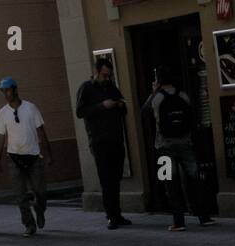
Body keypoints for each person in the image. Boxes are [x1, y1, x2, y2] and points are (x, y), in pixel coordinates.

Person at [141, 66, 213, 231]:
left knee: (170, 184)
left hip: (164, 146)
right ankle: (204, 216)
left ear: (158, 80)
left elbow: (143, 113)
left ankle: (178, 221)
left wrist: (153, 91)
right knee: (194, 180)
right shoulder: (183, 95)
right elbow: (192, 116)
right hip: (185, 144)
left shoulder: (157, 98)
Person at [75, 58, 132, 230]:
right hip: (100, 140)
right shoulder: (87, 88)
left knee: (115, 178)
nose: (107, 78)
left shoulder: (112, 88)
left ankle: (117, 213)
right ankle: (111, 216)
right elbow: (80, 112)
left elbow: (124, 108)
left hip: (116, 138)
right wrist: (102, 106)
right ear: (97, 71)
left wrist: (119, 104)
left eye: (109, 75)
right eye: (104, 75)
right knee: (106, 180)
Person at [0, 77, 51, 237]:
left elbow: (41, 131)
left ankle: (40, 209)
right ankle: (29, 224)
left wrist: (48, 153)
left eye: (7, 90)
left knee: (40, 192)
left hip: (33, 156)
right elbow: (0, 138)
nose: (5, 94)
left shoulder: (31, 108)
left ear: (15, 90)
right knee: (20, 195)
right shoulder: (3, 113)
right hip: (14, 158)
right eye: (3, 91)